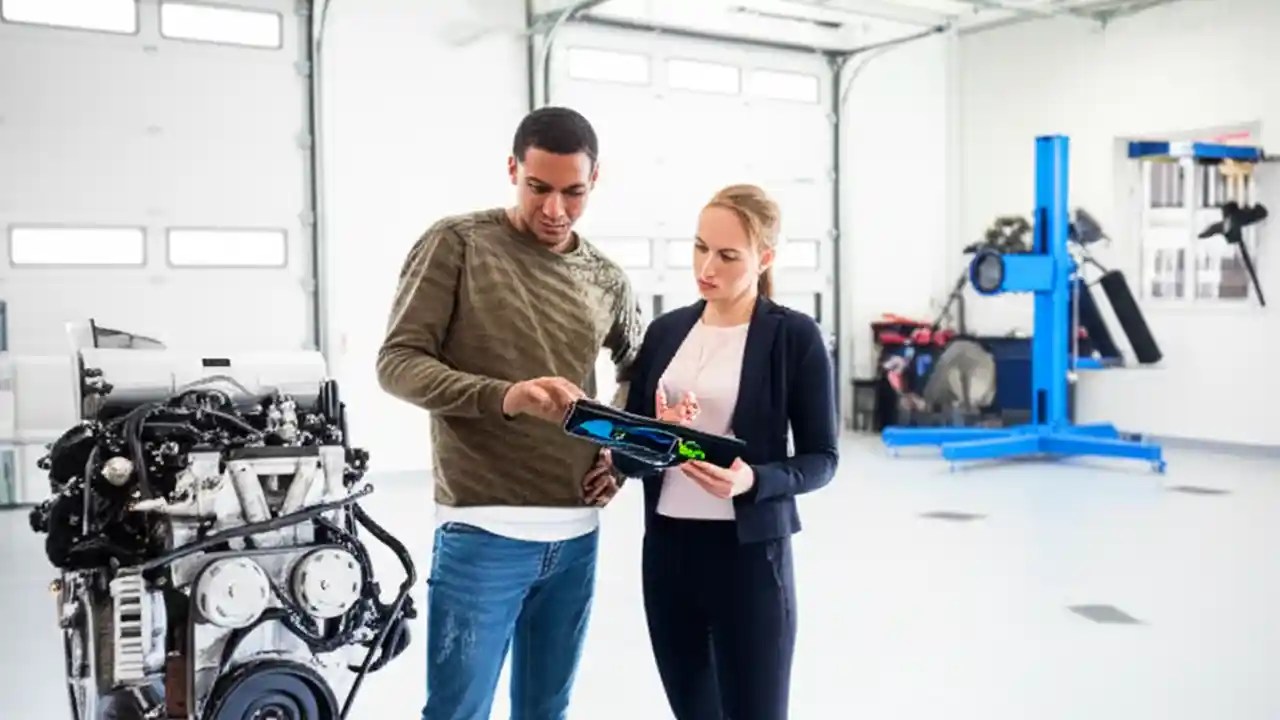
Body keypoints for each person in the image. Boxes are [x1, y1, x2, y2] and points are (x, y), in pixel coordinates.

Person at [376, 106, 643, 720]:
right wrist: (507, 396)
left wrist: (619, 457)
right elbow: (397, 361)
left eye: (573, 193)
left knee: (546, 712)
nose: (555, 210)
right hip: (482, 531)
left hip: (577, 535)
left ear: (594, 179)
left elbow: (637, 367)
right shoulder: (459, 244)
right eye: (538, 188)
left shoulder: (606, 278)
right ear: (512, 170)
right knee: (456, 712)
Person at [603, 183, 839, 720]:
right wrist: (652, 434)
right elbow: (626, 460)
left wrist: (753, 481)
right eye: (699, 247)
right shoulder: (665, 335)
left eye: (727, 255)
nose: (706, 265)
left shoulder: (794, 337)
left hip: (750, 561)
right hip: (668, 557)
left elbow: (822, 458)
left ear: (765, 259)